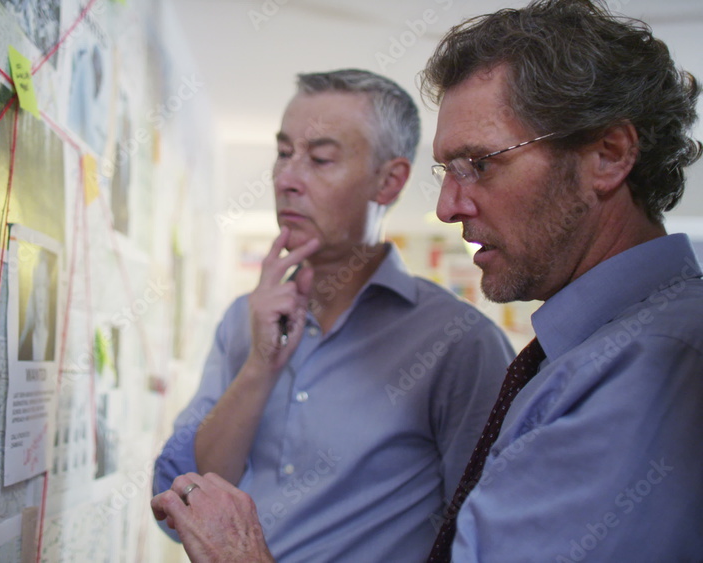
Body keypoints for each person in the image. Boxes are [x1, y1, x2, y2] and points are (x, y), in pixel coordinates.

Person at [152, 1, 703, 562]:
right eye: (283, 154)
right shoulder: (578, 353)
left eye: (480, 164)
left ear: (608, 155)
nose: (446, 208)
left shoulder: (655, 363)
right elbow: (173, 490)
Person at [152, 69, 514, 561]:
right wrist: (260, 367)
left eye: (320, 159)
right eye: (283, 154)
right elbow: (186, 500)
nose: (286, 179)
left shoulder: (458, 343)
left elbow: (487, 541)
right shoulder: (243, 320)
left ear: (389, 182)